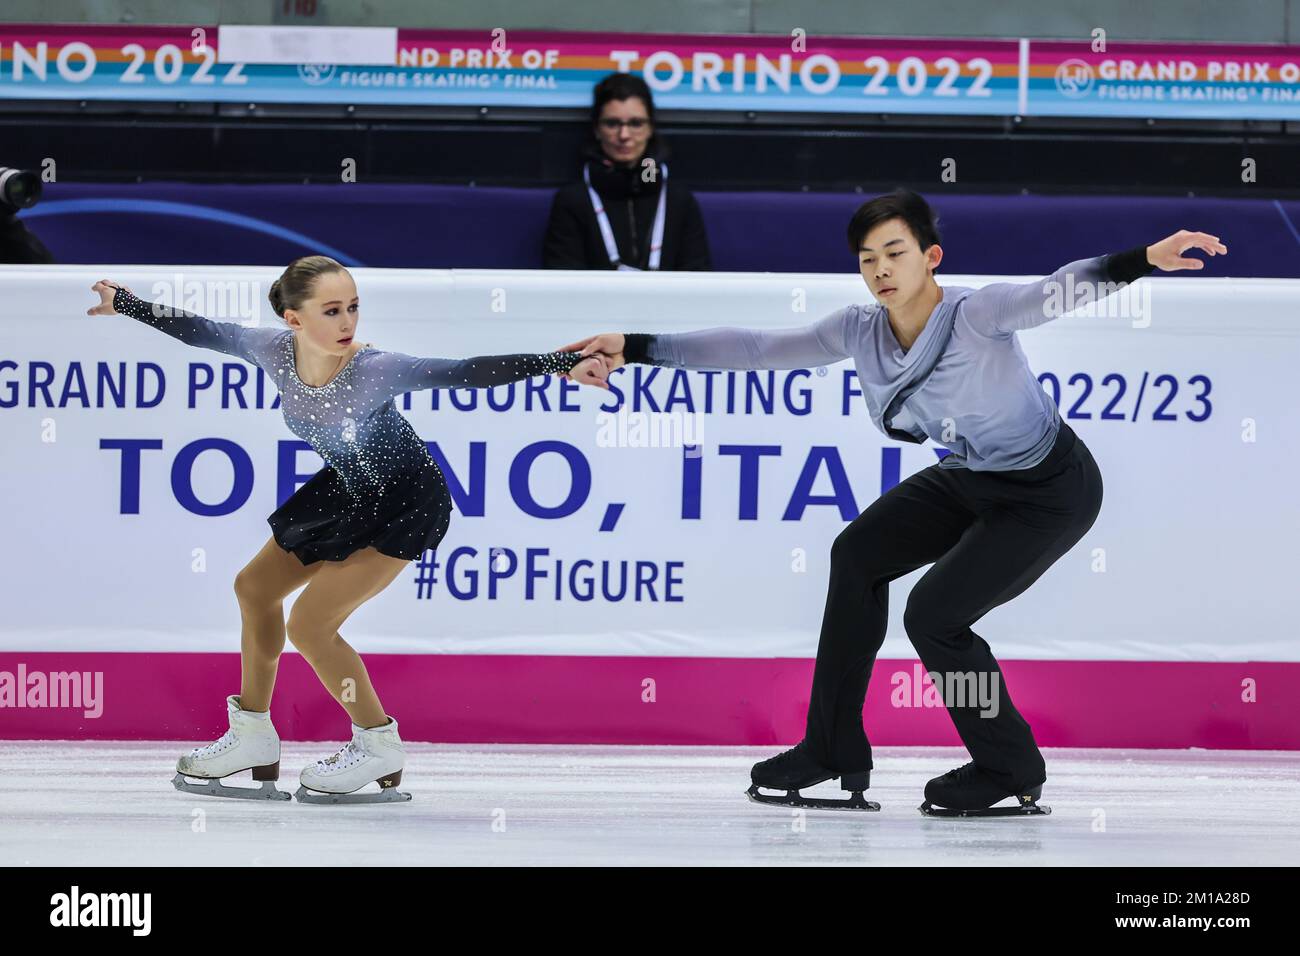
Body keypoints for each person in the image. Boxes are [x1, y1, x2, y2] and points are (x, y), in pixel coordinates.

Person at [557, 188, 1227, 816]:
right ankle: (831, 748)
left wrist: (1144, 260)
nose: (881, 270)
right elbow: (757, 349)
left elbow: (1058, 291)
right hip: (971, 476)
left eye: (896, 252)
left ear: (932, 257)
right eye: (868, 259)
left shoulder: (977, 314)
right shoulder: (859, 331)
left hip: (1050, 491)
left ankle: (1008, 766)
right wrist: (635, 347)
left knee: (935, 615)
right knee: (857, 556)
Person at [87, 255, 609, 803]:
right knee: (254, 589)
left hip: (406, 501)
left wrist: (556, 363)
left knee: (310, 626)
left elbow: (462, 371)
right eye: (332, 310)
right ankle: (253, 737)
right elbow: (204, 332)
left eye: (353, 308)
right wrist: (126, 303)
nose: (347, 323)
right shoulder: (271, 350)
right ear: (293, 320)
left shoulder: (377, 368)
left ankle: (378, 743)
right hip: (348, 490)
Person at [542, 72, 711, 271]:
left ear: (650, 129)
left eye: (636, 124)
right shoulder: (573, 200)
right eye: (612, 124)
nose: (624, 135)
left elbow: (697, 278)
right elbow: (563, 279)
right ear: (597, 129)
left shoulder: (678, 200)